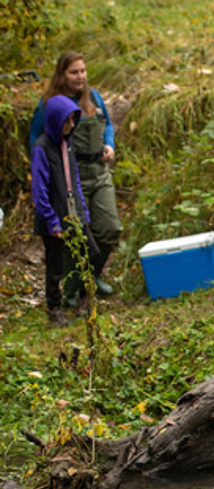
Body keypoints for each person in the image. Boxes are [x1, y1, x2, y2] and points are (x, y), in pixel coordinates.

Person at [30, 51, 121, 305]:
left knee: (109, 228)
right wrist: (42, 180)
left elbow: (109, 124)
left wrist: (109, 144)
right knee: (73, 235)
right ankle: (71, 288)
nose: (80, 76)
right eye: (74, 72)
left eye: (83, 71)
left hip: (99, 171)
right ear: (62, 74)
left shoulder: (94, 97)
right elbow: (37, 140)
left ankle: (89, 278)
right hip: (70, 174)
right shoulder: (49, 104)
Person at [30, 95, 94, 326]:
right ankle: (54, 308)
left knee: (87, 252)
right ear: (56, 120)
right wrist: (51, 221)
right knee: (55, 264)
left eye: (73, 120)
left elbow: (74, 180)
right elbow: (39, 190)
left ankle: (82, 299)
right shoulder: (42, 148)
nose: (71, 125)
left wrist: (82, 211)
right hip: (53, 215)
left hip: (72, 211)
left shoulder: (68, 145)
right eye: (67, 121)